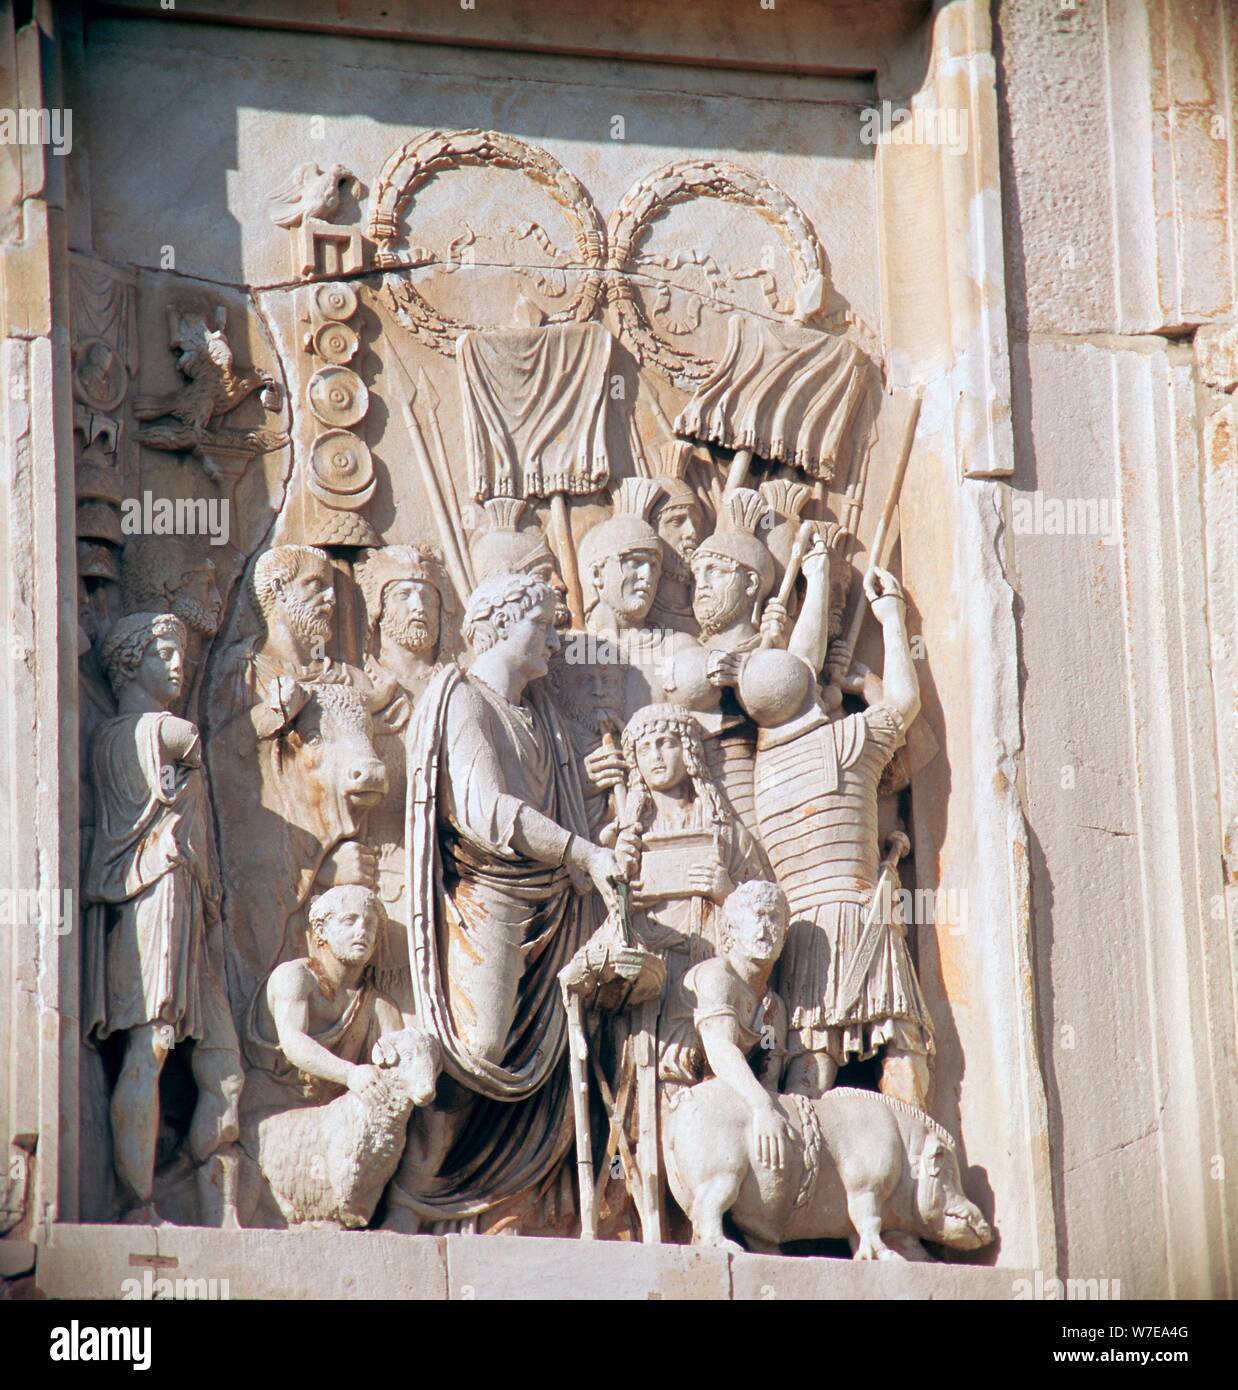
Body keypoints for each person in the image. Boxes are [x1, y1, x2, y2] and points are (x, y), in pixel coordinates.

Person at [387, 572, 623, 1230]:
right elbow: (487, 810)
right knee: (480, 1049)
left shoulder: (542, 717)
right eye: (542, 624)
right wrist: (581, 851)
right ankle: (409, 1196)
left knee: (567, 1056)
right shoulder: (463, 699)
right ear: (497, 625)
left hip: (552, 907)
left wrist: (599, 822)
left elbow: (551, 805)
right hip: (488, 900)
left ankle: (515, 1209)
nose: (555, 640)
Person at [83, 612, 243, 1223]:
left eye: (181, 654)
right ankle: (138, 1203)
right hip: (158, 893)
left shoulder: (110, 738)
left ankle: (153, 1192)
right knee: (149, 1048)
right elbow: (195, 741)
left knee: (156, 1050)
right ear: (130, 663)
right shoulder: (158, 733)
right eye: (164, 653)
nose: (180, 664)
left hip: (157, 897)